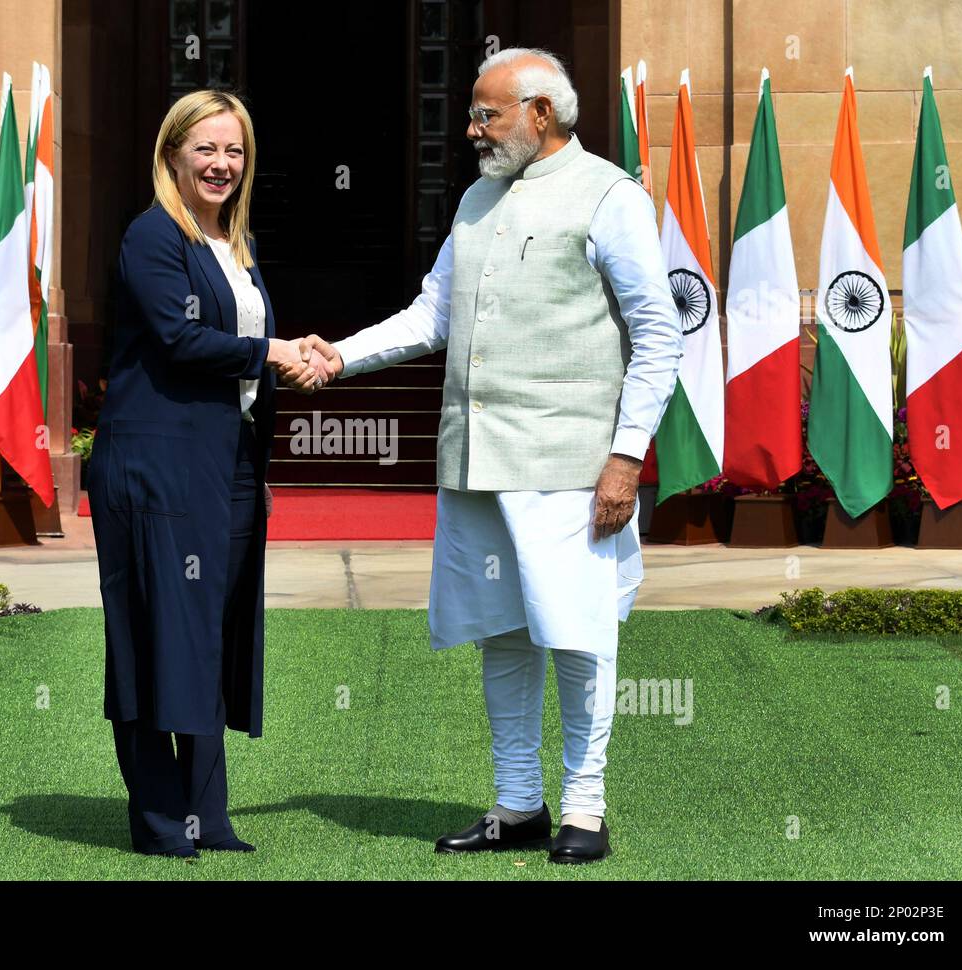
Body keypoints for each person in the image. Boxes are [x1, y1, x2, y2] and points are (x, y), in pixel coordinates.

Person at [302, 48, 682, 863]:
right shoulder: (478, 197)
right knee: (502, 633)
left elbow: (659, 332)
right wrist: (337, 355)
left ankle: (585, 807)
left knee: (579, 633)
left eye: (488, 113)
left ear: (541, 114)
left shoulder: (611, 195)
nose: (471, 128)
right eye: (474, 112)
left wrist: (625, 458)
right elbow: (431, 312)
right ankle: (518, 806)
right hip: (477, 462)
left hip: (572, 466)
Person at [88, 89, 322, 858]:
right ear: (173, 154)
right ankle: (160, 821)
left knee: (211, 633)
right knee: (157, 634)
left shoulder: (233, 242)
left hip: (226, 461)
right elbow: (177, 339)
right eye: (207, 149)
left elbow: (235, 337)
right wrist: (270, 354)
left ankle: (206, 815)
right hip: (155, 467)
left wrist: (294, 351)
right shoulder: (153, 235)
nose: (222, 163)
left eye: (235, 151)